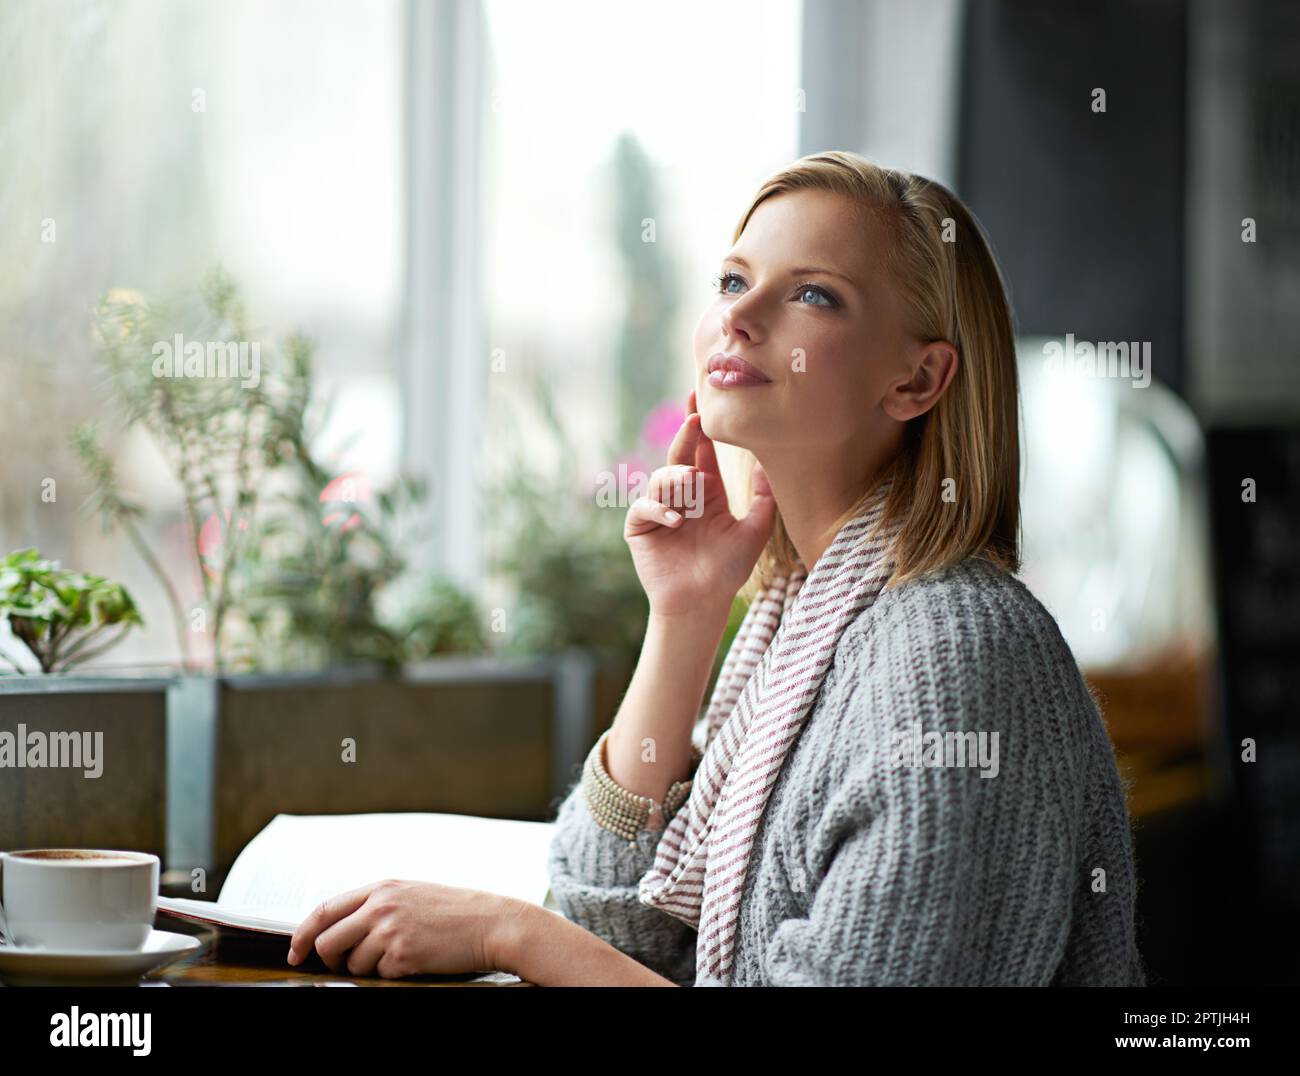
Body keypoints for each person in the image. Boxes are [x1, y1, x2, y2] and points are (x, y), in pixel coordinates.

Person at [287, 151, 1145, 986]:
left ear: (917, 380)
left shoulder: (956, 651)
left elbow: (571, 940)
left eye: (814, 294)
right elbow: (610, 919)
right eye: (733, 281)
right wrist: (685, 618)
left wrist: (508, 934)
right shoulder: (800, 618)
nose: (739, 315)